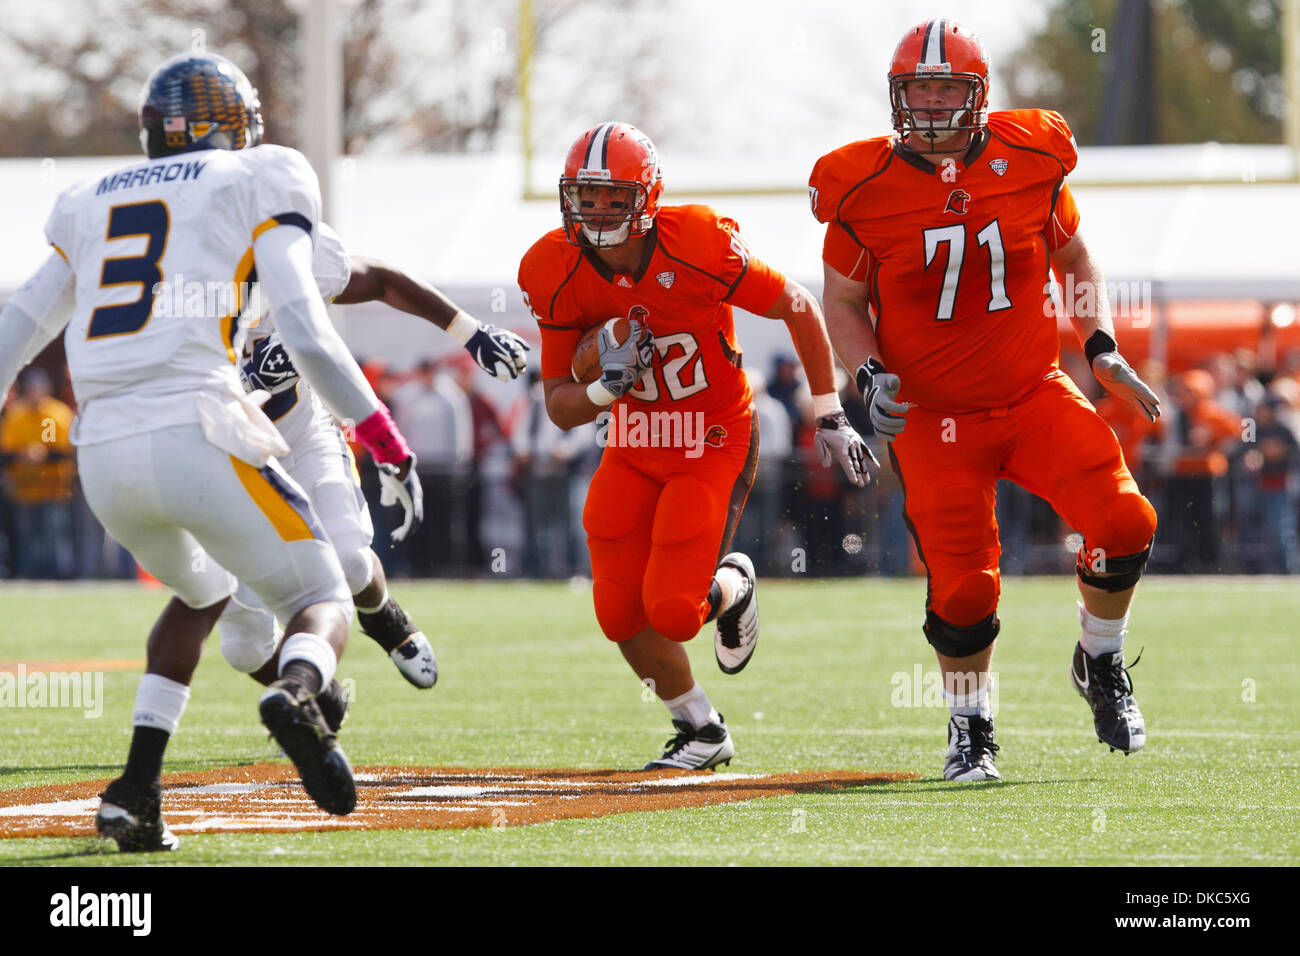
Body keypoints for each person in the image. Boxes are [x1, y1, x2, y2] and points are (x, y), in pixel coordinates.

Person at [0, 52, 423, 849]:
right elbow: (304, 325)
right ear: (233, 125)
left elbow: (16, 334)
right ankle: (298, 693)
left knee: (202, 596)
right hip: (199, 426)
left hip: (102, 455)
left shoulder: (88, 197)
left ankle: (135, 792)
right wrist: (380, 434)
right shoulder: (259, 174)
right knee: (320, 592)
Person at [810, 20, 1162, 781]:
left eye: (947, 88)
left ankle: (1100, 662)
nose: (932, 105)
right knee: (966, 586)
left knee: (1126, 519)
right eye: (918, 90)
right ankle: (970, 728)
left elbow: (1072, 252)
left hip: (1032, 393)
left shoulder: (1032, 154)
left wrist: (1099, 344)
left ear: (980, 96)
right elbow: (841, 296)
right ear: (897, 96)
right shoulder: (862, 186)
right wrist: (866, 373)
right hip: (935, 418)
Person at [519, 122, 871, 770]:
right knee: (617, 611)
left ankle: (732, 585)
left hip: (712, 438)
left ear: (646, 198)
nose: (595, 213)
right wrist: (606, 387)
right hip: (630, 441)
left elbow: (796, 304)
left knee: (675, 613)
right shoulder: (554, 266)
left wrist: (828, 414)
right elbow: (559, 402)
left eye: (611, 197)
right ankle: (701, 728)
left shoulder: (698, 244)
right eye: (584, 197)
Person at [220, 225, 528, 700]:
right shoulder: (171, 272)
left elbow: (381, 280)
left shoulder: (283, 238)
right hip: (220, 457)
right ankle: (318, 696)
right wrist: (242, 380)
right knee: (243, 645)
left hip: (302, 432)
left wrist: (470, 331)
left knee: (347, 558)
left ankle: (384, 617)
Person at [0, 367, 76, 578]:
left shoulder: (51, 415)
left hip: (50, 486)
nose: (35, 392)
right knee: (25, 535)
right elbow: (6, 452)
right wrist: (24, 455)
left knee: (51, 534)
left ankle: (53, 575)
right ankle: (27, 574)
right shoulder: (17, 414)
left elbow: (55, 450)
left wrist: (39, 454)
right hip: (23, 487)